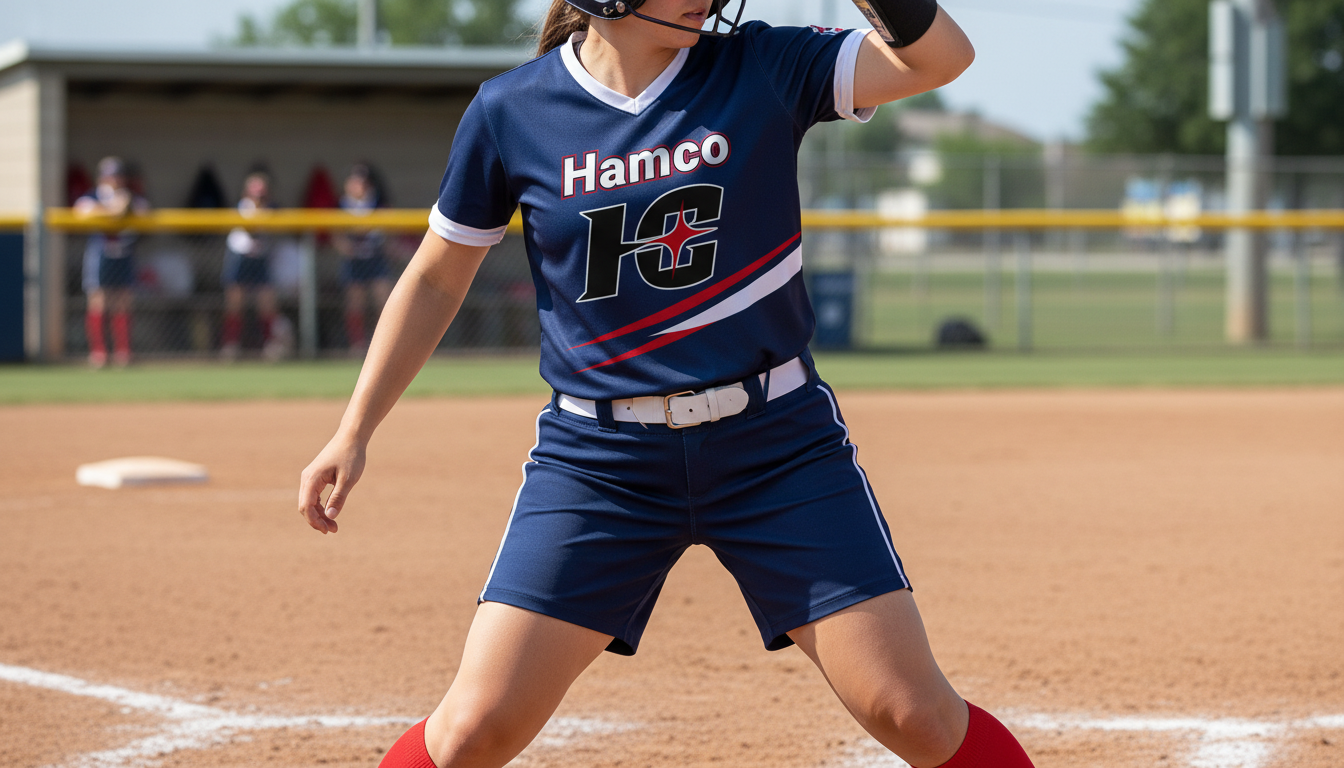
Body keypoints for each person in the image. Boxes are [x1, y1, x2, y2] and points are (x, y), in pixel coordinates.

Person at [298, 2, 1034, 767]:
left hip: (776, 449)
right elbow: (435, 279)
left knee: (914, 714)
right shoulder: (512, 111)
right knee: (471, 731)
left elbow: (939, 60)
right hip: (599, 463)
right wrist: (353, 430)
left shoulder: (762, 66)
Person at [76, 157, 150, 368]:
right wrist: (112, 210)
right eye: (109, 175)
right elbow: (82, 210)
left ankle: (123, 352)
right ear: (101, 177)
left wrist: (125, 207)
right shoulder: (93, 196)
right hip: (100, 252)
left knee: (123, 302)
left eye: (117, 175)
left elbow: (144, 211)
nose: (114, 180)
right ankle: (99, 353)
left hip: (124, 253)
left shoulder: (131, 197)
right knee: (98, 301)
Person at [221, 170, 290, 361]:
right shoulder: (242, 206)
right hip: (240, 257)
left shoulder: (272, 208)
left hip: (260, 258)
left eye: (262, 193)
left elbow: (282, 226)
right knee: (235, 303)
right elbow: (250, 229)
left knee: (267, 302)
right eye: (255, 193)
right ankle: (231, 345)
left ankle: (270, 344)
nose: (259, 197)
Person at [334, 163, 393, 355]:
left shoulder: (378, 203)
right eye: (355, 181)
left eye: (363, 182)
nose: (358, 186)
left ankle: (383, 345)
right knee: (355, 303)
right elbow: (336, 236)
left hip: (375, 258)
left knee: (383, 300)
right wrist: (346, 246)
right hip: (354, 260)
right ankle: (357, 345)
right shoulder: (342, 205)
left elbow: (387, 234)